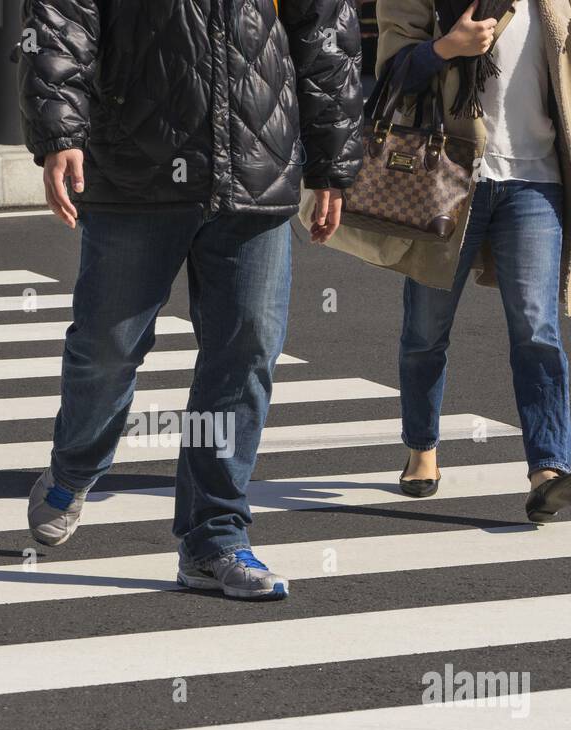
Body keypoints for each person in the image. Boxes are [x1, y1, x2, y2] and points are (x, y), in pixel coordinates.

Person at [19, 0, 364, 600]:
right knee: (107, 346)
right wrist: (59, 130)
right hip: (136, 162)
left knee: (245, 353)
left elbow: (326, 26)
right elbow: (60, 19)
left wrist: (332, 158)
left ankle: (214, 538)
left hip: (256, 163)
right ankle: (74, 467)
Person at [373, 0, 571, 520]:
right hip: (448, 171)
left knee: (537, 327)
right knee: (426, 327)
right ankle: (422, 446)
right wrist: (447, 47)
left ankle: (548, 468)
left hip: (538, 179)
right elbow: (392, 69)